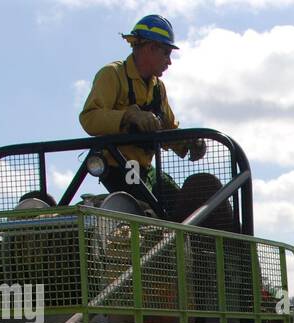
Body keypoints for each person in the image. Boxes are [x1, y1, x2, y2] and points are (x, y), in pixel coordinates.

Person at [78, 14, 205, 215]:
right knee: (149, 213)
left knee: (185, 207)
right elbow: (89, 118)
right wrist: (127, 117)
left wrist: (188, 143)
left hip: (145, 171)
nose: (169, 62)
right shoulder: (112, 75)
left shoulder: (158, 88)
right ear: (149, 47)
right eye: (166, 53)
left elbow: (168, 129)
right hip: (118, 168)